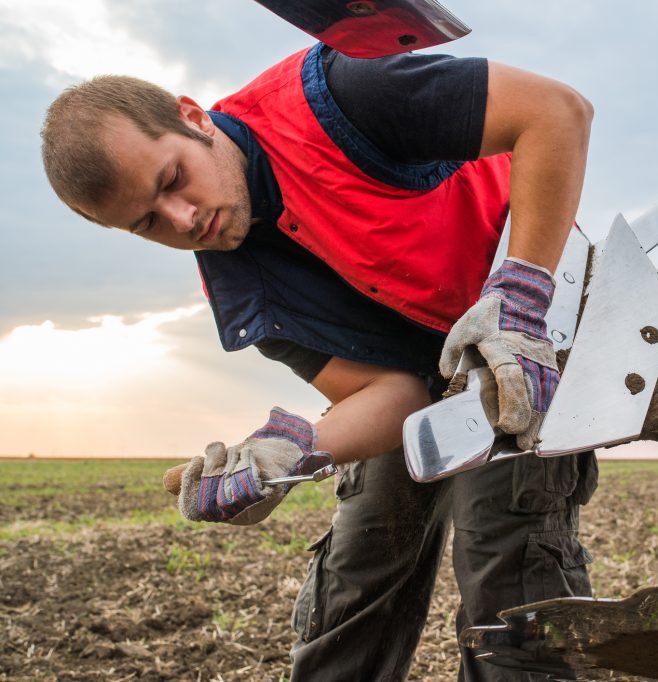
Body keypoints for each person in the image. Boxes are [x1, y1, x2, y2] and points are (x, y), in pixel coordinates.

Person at [41, 40, 597, 681]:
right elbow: (397, 396)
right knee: (357, 572)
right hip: (424, 369)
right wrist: (287, 453)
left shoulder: (341, 94)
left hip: (522, 347)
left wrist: (522, 296)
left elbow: (557, 111)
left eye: (172, 180)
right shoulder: (242, 287)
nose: (184, 220)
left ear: (192, 116)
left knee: (506, 567)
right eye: (147, 224)